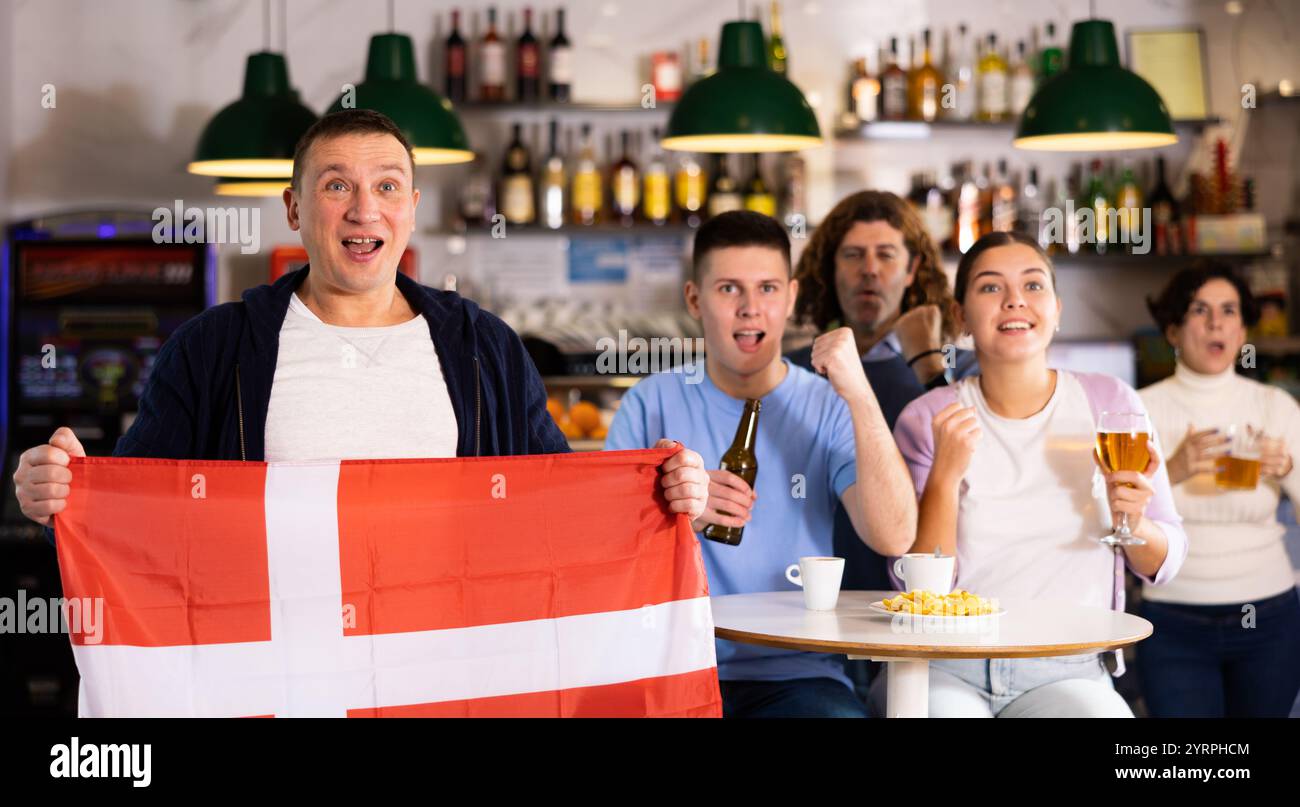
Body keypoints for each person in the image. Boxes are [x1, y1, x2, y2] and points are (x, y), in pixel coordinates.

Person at [13, 109, 707, 535]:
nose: (362, 209)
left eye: (385, 186)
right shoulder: (213, 348)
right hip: (276, 672)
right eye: (336, 184)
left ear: (409, 206)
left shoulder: (482, 346)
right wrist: (63, 497)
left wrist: (661, 494)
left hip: (442, 665)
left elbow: (564, 501)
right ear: (293, 208)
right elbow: (134, 506)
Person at [604, 211, 917, 718]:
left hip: (799, 676)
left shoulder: (828, 403)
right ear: (694, 299)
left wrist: (859, 392)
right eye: (729, 289)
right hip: (672, 668)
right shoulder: (650, 401)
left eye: (767, 288)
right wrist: (674, 513)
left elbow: (895, 537)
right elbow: (601, 555)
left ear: (790, 298)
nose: (751, 309)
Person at [886, 231, 1187, 717]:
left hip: (1068, 667)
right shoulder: (928, 418)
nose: (1014, 302)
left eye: (1033, 285)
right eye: (989, 288)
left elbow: (1163, 562)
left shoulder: (1110, 404)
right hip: (944, 666)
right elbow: (919, 594)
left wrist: (1134, 520)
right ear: (960, 316)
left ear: (1057, 308)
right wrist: (944, 478)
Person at [785, 191, 978, 696]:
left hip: (928, 609)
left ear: (912, 270)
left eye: (886, 255)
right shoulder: (793, 370)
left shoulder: (957, 369)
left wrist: (928, 360)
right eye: (853, 255)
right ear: (830, 269)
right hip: (819, 613)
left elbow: (976, 458)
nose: (869, 270)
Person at [1137, 262, 1300, 717]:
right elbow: (1117, 522)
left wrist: (1288, 468)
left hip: (1269, 618)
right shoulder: (1138, 409)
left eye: (1229, 311)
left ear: (1243, 329)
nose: (1216, 323)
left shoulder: (1276, 406)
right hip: (1171, 619)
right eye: (1199, 310)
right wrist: (1172, 469)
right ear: (1172, 330)